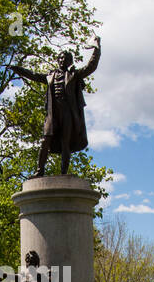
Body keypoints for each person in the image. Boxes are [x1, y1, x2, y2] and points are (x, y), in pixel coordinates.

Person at [11, 36, 101, 177]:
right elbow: (34, 75)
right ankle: (39, 171)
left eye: (64, 58)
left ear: (70, 61)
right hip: (53, 113)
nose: (61, 60)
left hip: (68, 112)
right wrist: (18, 70)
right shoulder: (50, 75)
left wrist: (96, 48)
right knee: (45, 141)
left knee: (66, 143)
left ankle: (63, 174)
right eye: (59, 58)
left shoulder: (74, 75)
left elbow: (91, 66)